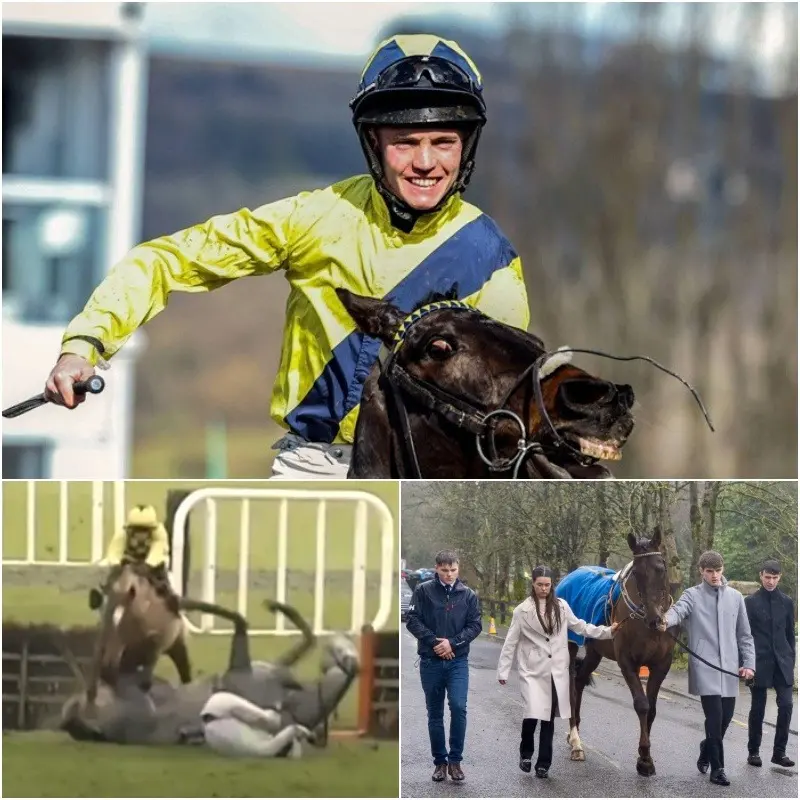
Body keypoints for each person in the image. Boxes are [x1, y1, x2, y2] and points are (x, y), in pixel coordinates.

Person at [43, 34, 531, 479]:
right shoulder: (315, 217)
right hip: (311, 467)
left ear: (466, 147)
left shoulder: (489, 255)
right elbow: (164, 261)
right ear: (374, 145)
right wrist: (83, 346)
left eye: (443, 143)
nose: (426, 163)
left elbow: (511, 409)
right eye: (406, 143)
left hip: (425, 477)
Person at [496, 566, 619, 779]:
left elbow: (581, 626)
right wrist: (503, 671)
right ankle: (526, 753)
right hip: (532, 670)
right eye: (539, 585)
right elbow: (510, 643)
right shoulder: (521, 611)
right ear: (533, 584)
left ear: (551, 585)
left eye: (547, 584)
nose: (544, 588)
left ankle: (543, 763)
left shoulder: (562, 607)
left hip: (556, 669)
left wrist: (607, 631)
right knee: (533, 713)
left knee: (548, 717)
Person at [657, 551, 755, 787]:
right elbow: (677, 612)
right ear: (701, 571)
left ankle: (706, 748)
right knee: (714, 716)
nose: (714, 576)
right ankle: (718, 769)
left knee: (727, 717)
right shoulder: (692, 595)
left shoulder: (735, 597)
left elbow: (745, 635)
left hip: (730, 667)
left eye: (718, 571)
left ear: (723, 569)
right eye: (709, 571)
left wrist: (749, 664)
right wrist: (664, 620)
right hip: (704, 665)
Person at [405, 549, 481, 782]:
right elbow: (412, 619)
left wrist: (453, 643)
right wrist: (434, 641)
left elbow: (475, 625)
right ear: (437, 568)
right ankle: (440, 762)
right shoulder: (423, 591)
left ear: (458, 568)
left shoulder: (468, 595)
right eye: (445, 570)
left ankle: (455, 761)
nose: (449, 575)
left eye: (453, 570)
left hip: (457, 660)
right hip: (431, 661)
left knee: (458, 707)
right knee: (435, 713)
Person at [744, 559, 796, 768]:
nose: (771, 581)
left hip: (783, 663)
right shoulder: (750, 602)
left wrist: (791, 658)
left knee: (787, 705)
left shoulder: (787, 601)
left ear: (779, 577)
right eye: (767, 577)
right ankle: (753, 751)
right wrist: (746, 663)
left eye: (775, 577)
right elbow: (744, 636)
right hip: (759, 662)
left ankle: (779, 752)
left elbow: (790, 634)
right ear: (761, 576)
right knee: (758, 708)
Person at [92, 504, 179, 613]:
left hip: (152, 564)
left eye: (144, 531)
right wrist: (116, 565)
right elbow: (114, 551)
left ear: (152, 530)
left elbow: (158, 550)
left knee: (161, 579)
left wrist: (148, 565)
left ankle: (170, 600)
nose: (141, 535)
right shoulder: (122, 533)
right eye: (137, 530)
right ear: (130, 530)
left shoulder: (160, 533)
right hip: (129, 561)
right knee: (113, 575)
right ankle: (103, 594)